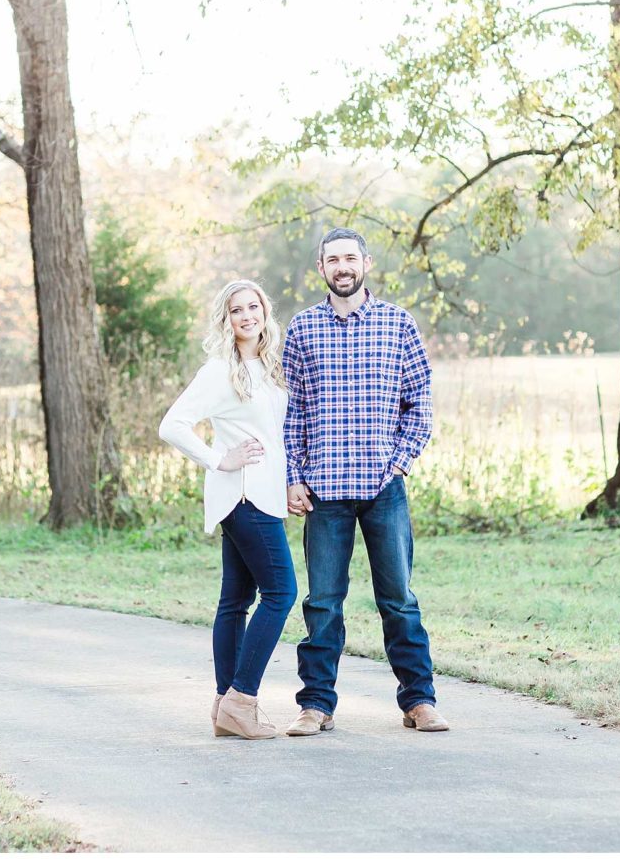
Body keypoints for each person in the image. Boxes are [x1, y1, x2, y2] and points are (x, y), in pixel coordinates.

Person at [282, 227, 450, 735]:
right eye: (332, 260)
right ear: (321, 269)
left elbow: (420, 402)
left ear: (366, 263)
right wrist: (292, 477)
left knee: (398, 598)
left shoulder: (398, 324)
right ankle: (316, 705)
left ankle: (419, 701)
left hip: (384, 488)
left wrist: (400, 462)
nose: (342, 267)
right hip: (324, 490)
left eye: (350, 258)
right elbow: (291, 412)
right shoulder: (302, 329)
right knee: (322, 603)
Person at [159, 278, 295, 740]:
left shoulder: (269, 365)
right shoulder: (220, 369)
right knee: (280, 593)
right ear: (226, 318)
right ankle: (242, 700)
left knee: (235, 601)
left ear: (264, 311)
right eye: (236, 310)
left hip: (262, 493)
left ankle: (225, 707)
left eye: (253, 306)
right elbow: (172, 425)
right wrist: (219, 459)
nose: (246, 316)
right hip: (243, 493)